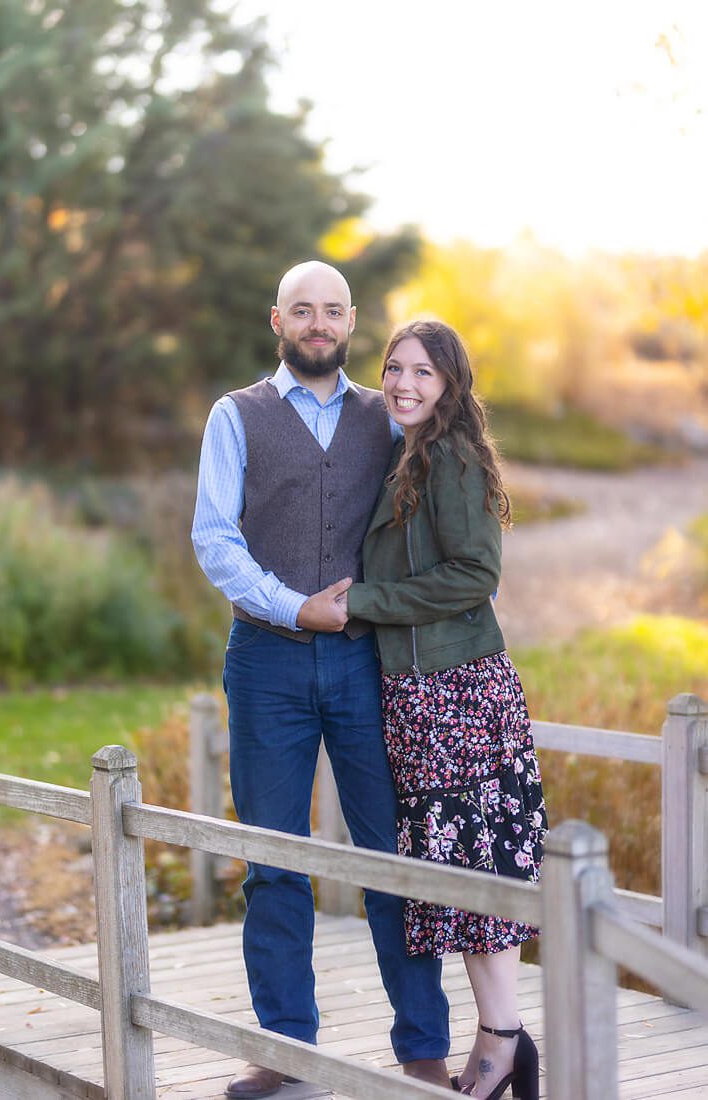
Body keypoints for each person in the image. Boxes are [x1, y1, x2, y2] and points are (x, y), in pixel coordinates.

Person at [191, 263, 451, 1099]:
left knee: (392, 855)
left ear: (350, 321)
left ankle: (423, 1047)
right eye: (302, 310)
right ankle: (283, 1046)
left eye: (331, 311)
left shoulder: (389, 416)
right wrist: (291, 607)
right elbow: (214, 538)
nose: (317, 323)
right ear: (277, 318)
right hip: (264, 661)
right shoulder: (235, 415)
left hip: (365, 662)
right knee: (273, 860)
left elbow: (441, 511)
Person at [334, 319, 548, 1100]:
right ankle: (506, 1039)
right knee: (459, 876)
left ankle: (498, 1040)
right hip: (419, 695)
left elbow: (473, 574)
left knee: (477, 872)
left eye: (423, 372)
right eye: (394, 368)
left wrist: (363, 600)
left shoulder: (450, 456)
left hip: (459, 691)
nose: (403, 384)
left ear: (451, 385)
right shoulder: (405, 456)